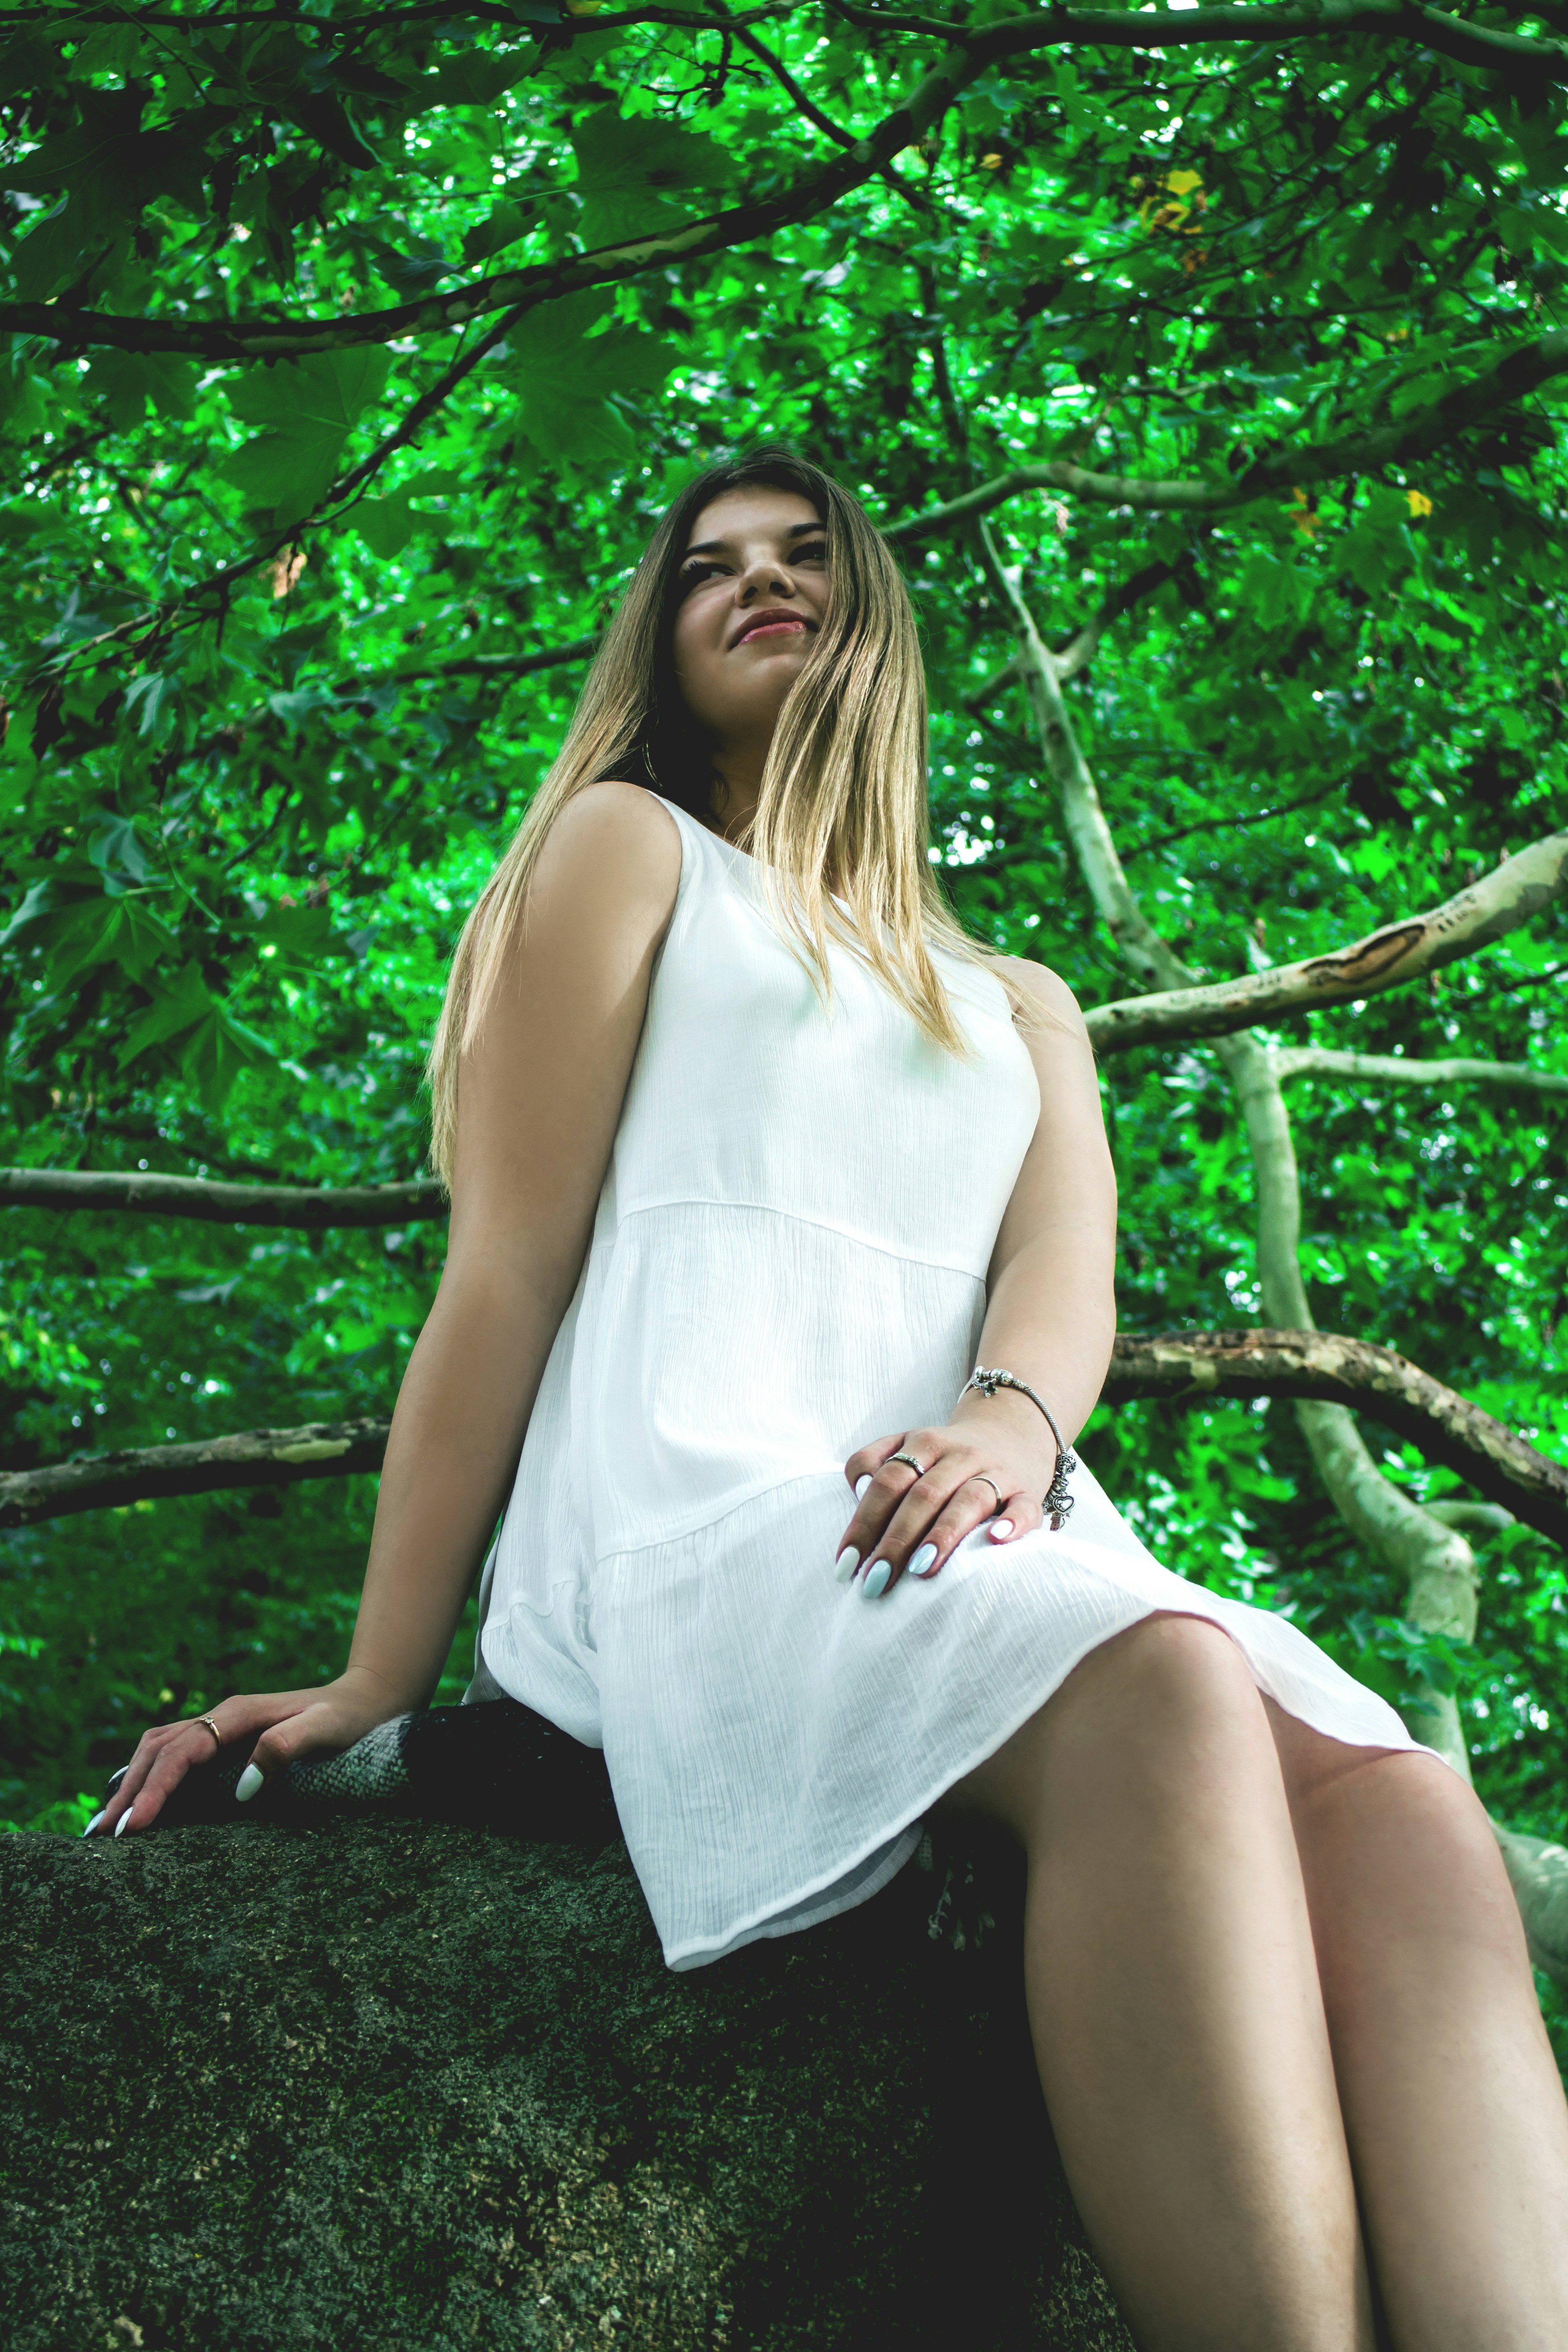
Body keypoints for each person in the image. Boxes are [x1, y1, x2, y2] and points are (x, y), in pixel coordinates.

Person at [98, 451, 1568, 2348]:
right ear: (662, 637)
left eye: (805, 557)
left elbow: (1063, 1291)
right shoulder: (631, 855)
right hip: (690, 1523)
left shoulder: (1015, 993)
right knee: (1171, 1682)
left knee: (1406, 1804)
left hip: (951, 1532)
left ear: (878, 621)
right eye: (708, 568)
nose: (759, 582)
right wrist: (381, 1676)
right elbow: (508, 1267)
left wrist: (1010, 1427)